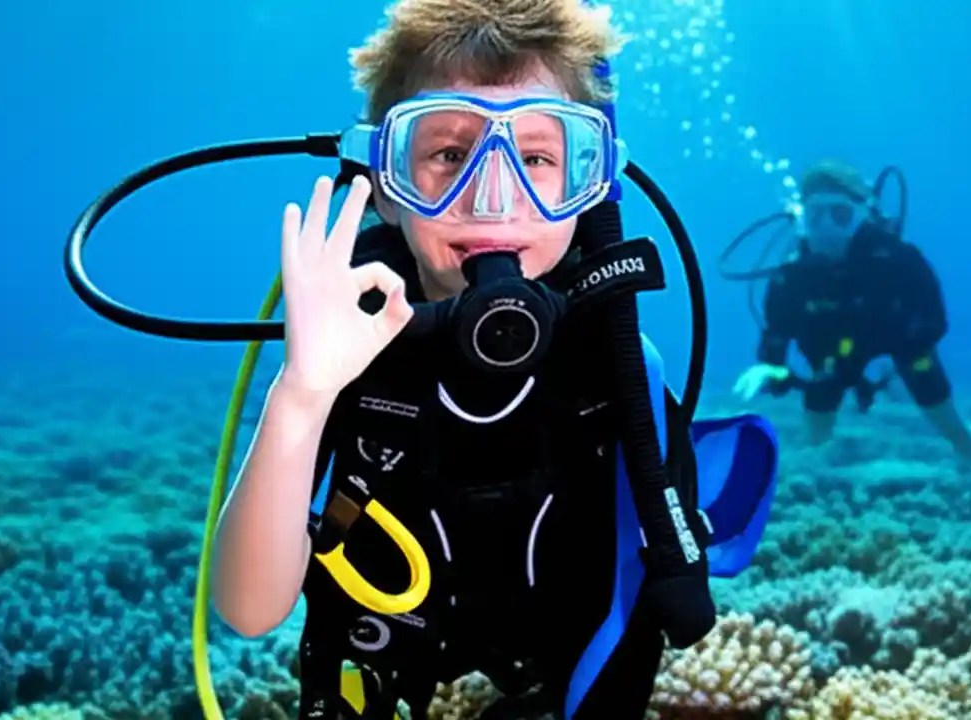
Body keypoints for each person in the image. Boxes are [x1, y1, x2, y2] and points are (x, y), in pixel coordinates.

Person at [201, 1, 779, 718]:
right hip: (391, 631)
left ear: (591, 184)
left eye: (536, 158)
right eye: (449, 155)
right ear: (384, 182)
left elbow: (634, 601)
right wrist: (303, 393)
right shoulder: (348, 352)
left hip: (565, 630)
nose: (494, 198)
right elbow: (249, 610)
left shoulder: (620, 367)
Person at [732, 160, 971, 480]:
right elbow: (776, 337)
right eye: (815, 215)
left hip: (903, 349)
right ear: (801, 218)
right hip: (830, 359)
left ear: (862, 215)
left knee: (954, 429)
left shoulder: (899, 259)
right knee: (816, 442)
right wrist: (771, 370)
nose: (825, 226)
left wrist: (899, 364)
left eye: (839, 214)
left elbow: (934, 320)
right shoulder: (792, 276)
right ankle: (816, 492)